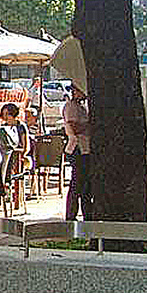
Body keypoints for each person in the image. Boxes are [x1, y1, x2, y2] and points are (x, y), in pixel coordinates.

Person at [64, 84, 92, 221]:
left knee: (86, 185)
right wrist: (91, 124)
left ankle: (88, 214)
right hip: (77, 148)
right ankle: (71, 215)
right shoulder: (71, 107)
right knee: (77, 184)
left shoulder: (82, 107)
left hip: (86, 149)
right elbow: (74, 127)